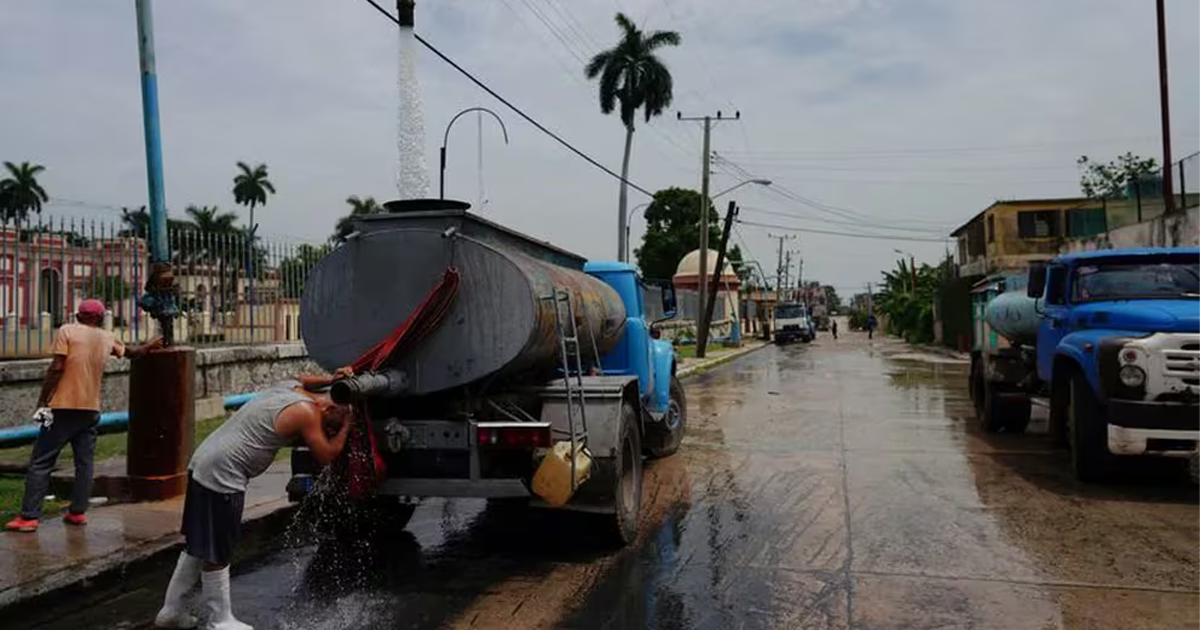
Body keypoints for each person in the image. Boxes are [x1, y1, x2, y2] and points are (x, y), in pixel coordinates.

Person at [155, 372, 353, 630]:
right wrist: (349, 424)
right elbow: (328, 455)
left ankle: (171, 611)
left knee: (199, 543)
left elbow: (300, 376)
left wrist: (332, 377)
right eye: (331, 425)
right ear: (327, 407)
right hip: (223, 475)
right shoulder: (307, 413)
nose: (328, 431)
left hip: (204, 461)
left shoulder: (291, 389)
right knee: (219, 550)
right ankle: (220, 620)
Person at [5, 299, 161, 533]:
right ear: (99, 319)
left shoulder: (67, 330)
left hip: (61, 407)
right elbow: (133, 353)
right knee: (84, 463)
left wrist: (42, 401)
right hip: (90, 410)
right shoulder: (107, 337)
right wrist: (154, 344)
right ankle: (77, 512)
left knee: (41, 461)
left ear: (78, 316)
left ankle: (29, 517)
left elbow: (57, 367)